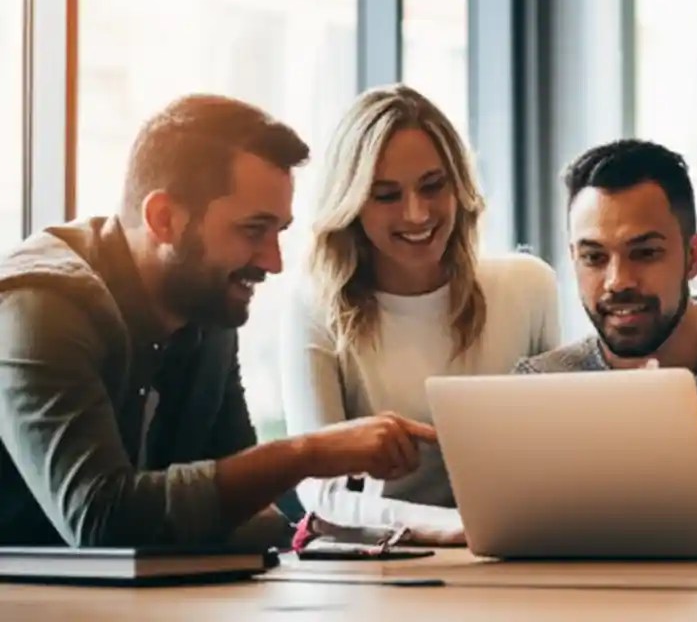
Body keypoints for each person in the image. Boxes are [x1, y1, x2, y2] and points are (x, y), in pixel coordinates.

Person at [0, 95, 437, 548]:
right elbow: (101, 519)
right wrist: (310, 452)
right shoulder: (42, 308)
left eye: (278, 232)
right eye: (253, 230)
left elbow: (246, 508)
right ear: (163, 219)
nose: (273, 262)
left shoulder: (206, 313)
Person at [281, 84, 559, 543]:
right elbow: (322, 492)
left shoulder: (528, 286)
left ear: (459, 186)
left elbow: (561, 451)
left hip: (513, 547)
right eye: (386, 195)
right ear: (351, 204)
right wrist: (456, 528)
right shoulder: (315, 304)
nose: (416, 214)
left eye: (433, 186)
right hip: (385, 562)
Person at [514, 140, 697, 473]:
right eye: (594, 257)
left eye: (645, 253)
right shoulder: (539, 391)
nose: (618, 281)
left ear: (693, 256)